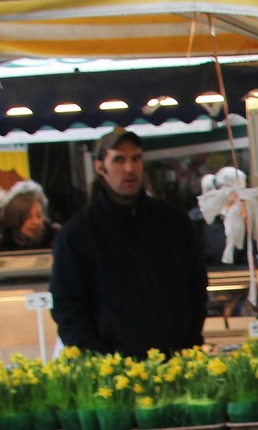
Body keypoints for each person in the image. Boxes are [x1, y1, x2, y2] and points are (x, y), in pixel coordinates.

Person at [50, 128, 209, 357]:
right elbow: (68, 307)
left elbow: (196, 287)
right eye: (119, 160)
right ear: (100, 167)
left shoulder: (174, 224)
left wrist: (189, 342)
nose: (129, 168)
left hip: (175, 362)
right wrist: (101, 358)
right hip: (113, 373)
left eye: (136, 158)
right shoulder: (78, 233)